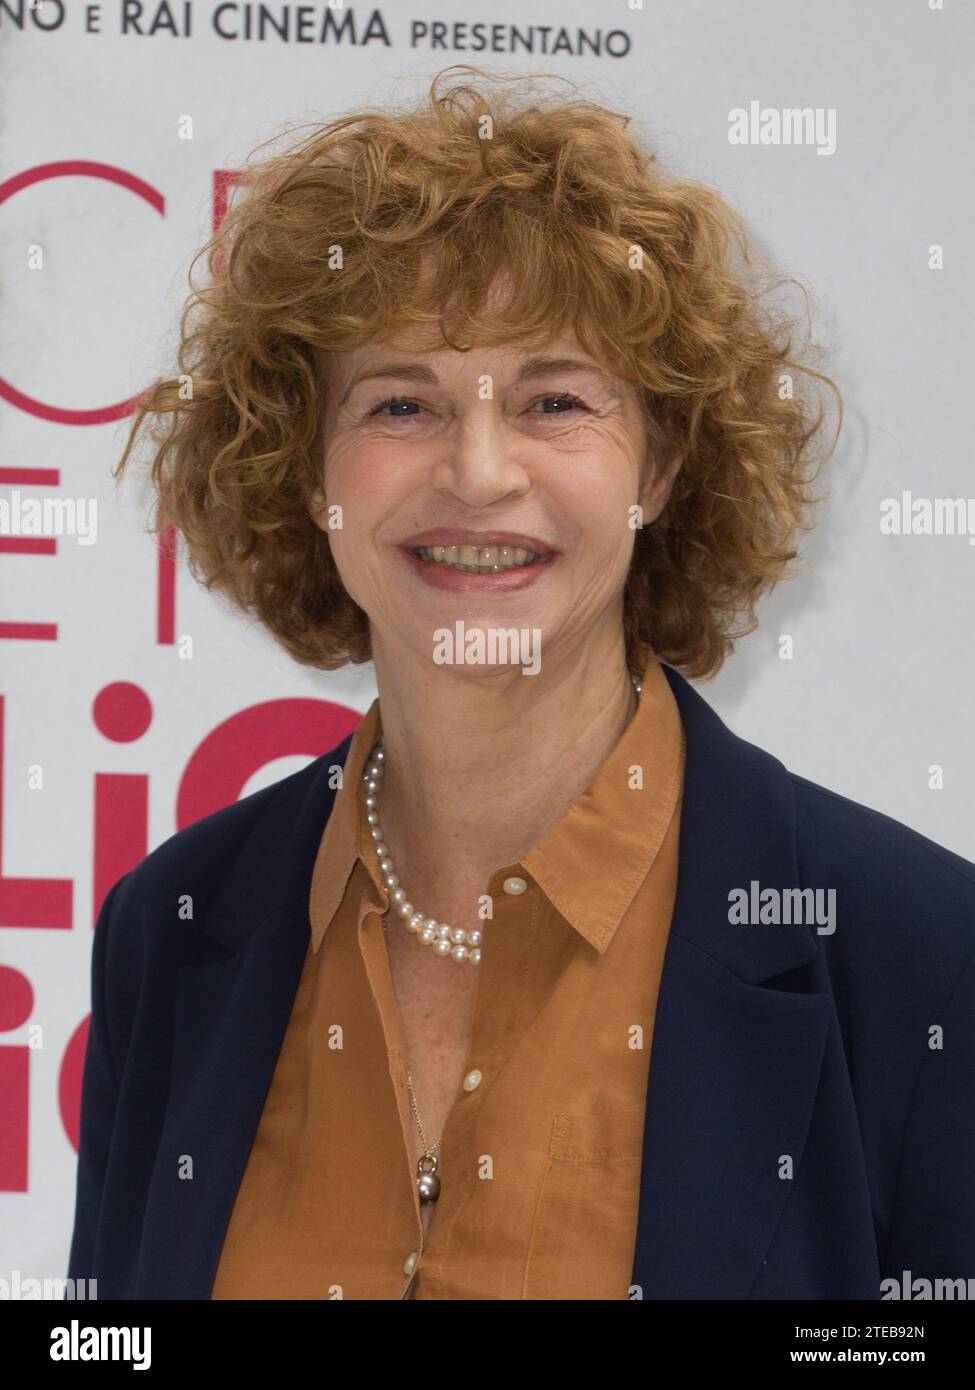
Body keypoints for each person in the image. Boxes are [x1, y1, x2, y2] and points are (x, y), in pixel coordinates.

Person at [67, 65, 975, 1300]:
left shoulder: (916, 953)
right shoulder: (170, 935)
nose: (480, 470)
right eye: (402, 401)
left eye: (555, 398)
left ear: (661, 467)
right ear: (304, 471)